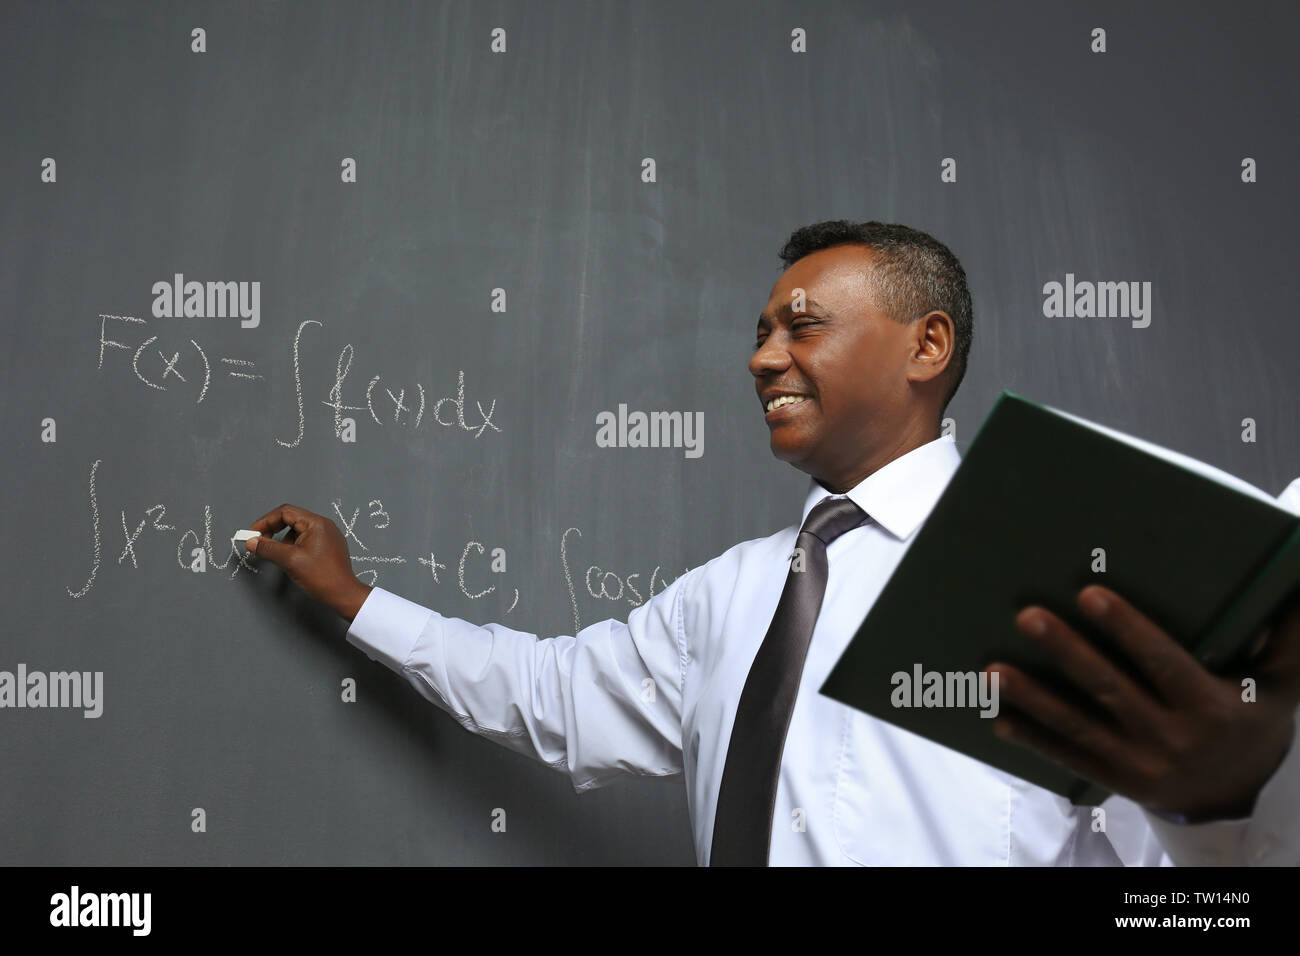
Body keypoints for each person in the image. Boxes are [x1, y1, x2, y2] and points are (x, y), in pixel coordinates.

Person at [245, 220, 1300, 865]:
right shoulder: (733, 595)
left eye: (801, 325)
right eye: (758, 332)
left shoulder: (1077, 568)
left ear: (926, 344)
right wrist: (354, 598)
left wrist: (1225, 796)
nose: (762, 358)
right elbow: (550, 694)